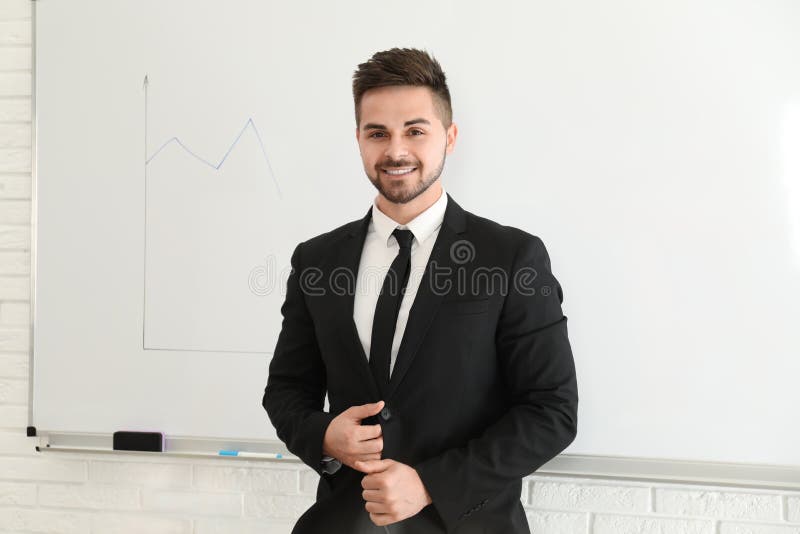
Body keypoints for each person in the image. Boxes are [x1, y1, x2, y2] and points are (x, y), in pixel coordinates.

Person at [263, 47, 578, 534]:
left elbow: (551, 410)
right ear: (358, 140)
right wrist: (324, 434)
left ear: (449, 137)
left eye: (415, 130)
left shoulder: (511, 256)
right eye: (377, 133)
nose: (396, 151)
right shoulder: (316, 260)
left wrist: (432, 484)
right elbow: (286, 390)